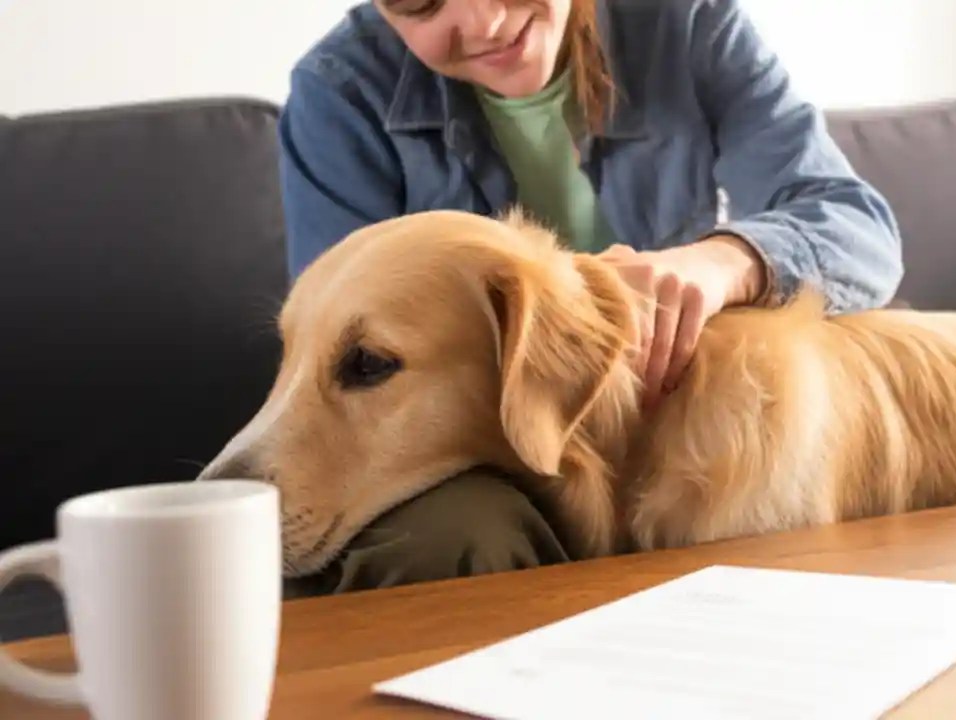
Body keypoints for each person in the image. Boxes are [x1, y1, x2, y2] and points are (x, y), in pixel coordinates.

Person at [276, 0, 904, 597]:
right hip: (506, 455)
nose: (485, 22)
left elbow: (856, 224)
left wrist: (722, 262)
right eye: (421, 5)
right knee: (451, 538)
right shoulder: (340, 92)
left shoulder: (685, 20)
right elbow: (332, 358)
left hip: (672, 436)